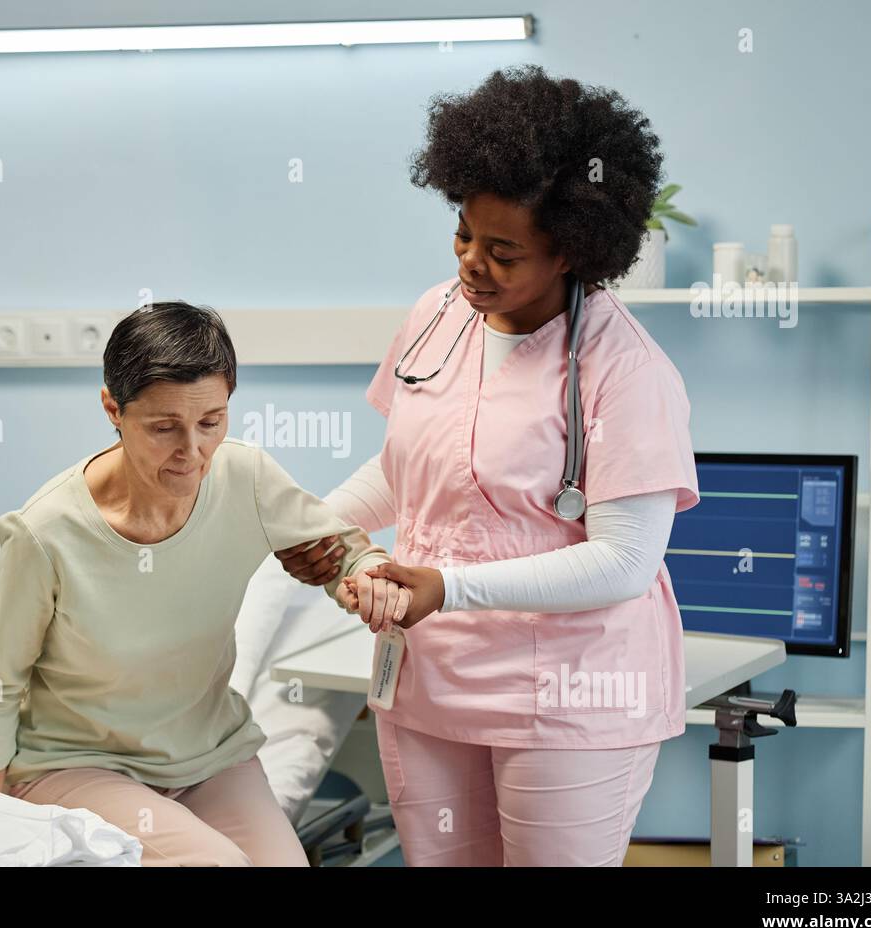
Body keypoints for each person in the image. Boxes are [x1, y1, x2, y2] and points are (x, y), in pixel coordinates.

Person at [276, 65, 700, 866]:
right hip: (431, 675)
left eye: (503, 251)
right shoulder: (436, 315)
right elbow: (411, 468)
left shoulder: (625, 370)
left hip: (566, 696)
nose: (472, 263)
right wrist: (315, 523)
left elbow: (626, 561)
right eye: (464, 234)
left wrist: (451, 588)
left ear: (573, 252)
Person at [0, 301, 410, 866]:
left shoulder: (245, 478)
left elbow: (344, 550)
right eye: (164, 428)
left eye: (211, 422)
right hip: (76, 764)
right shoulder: (45, 533)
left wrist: (363, 580)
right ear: (112, 409)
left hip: (210, 754)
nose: (193, 452)